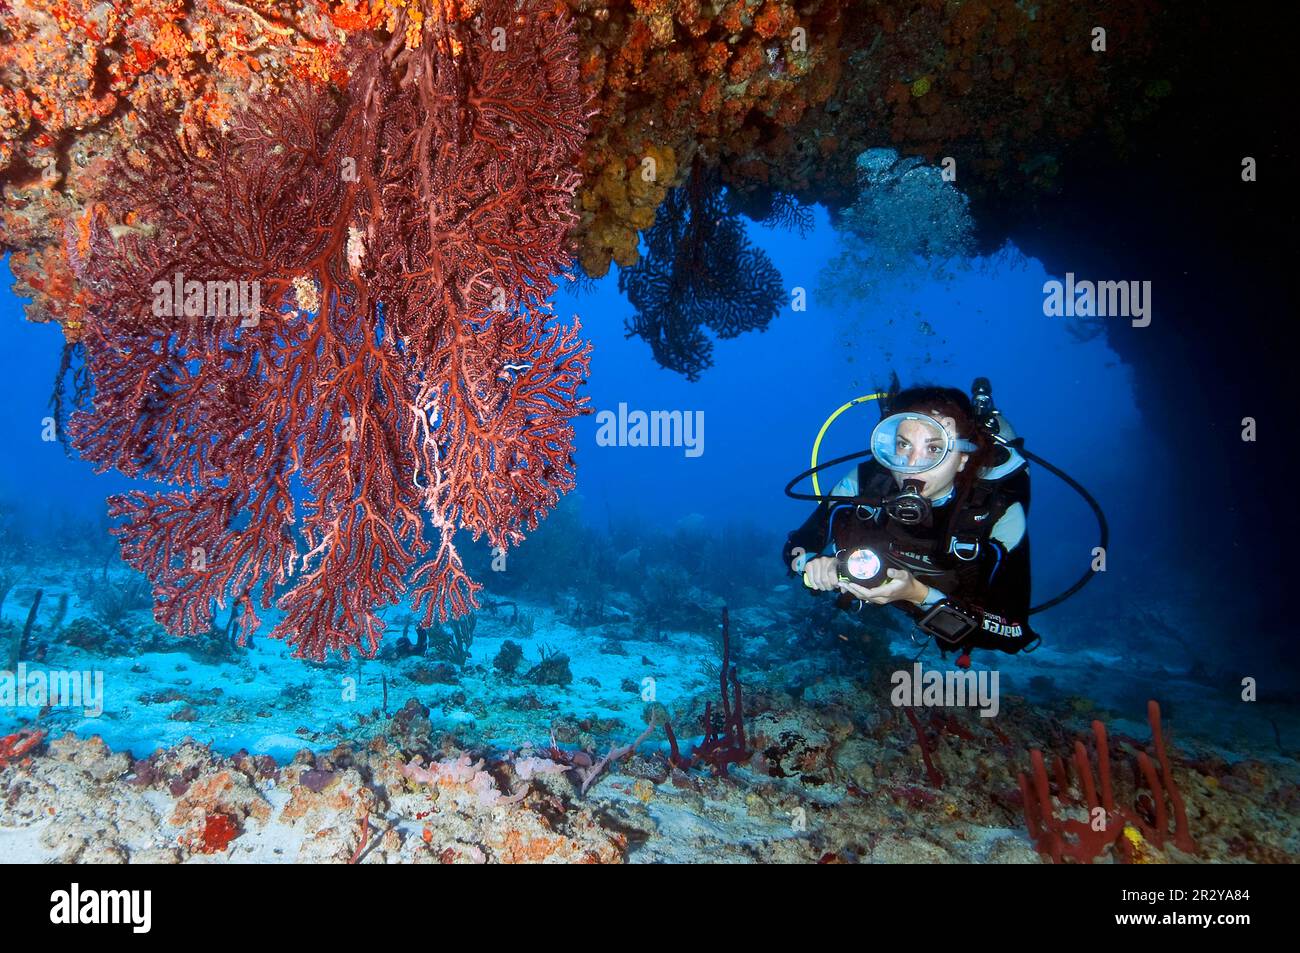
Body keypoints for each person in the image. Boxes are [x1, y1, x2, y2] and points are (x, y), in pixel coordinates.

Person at [782, 384, 1038, 664]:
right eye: (903, 445)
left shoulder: (998, 511)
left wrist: (918, 594)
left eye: (934, 448)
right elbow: (796, 546)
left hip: (948, 605)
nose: (911, 465)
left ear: (963, 458)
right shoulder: (865, 483)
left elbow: (1013, 633)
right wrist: (813, 563)